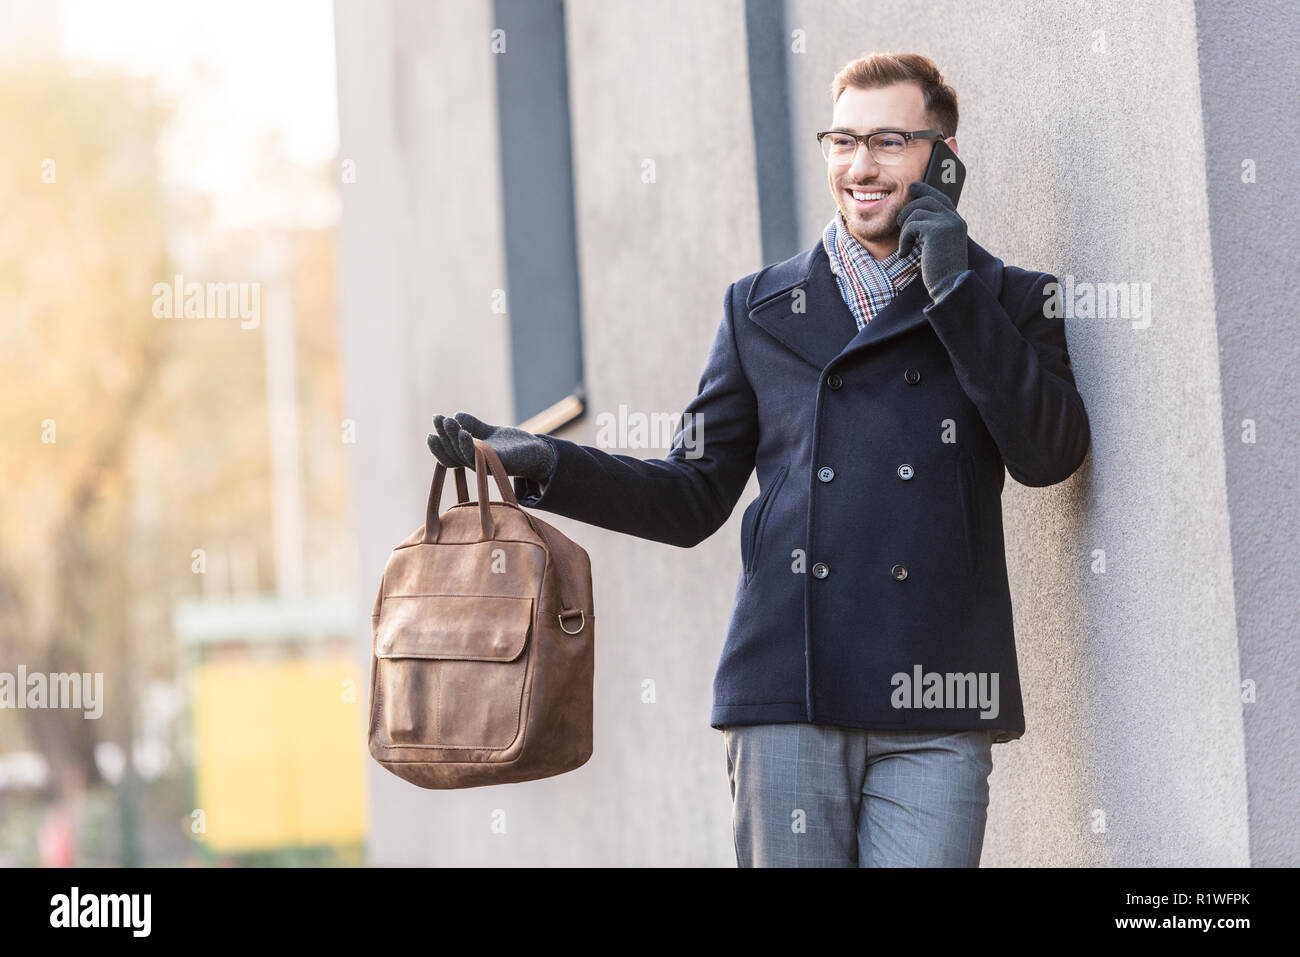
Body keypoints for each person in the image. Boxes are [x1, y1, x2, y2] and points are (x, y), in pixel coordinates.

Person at [428, 52, 1090, 867]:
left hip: (940, 697)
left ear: (944, 159)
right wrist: (542, 464)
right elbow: (689, 495)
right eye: (842, 140)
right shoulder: (760, 307)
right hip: (788, 692)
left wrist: (955, 292)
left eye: (889, 140)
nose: (861, 165)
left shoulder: (1012, 299)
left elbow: (1050, 454)